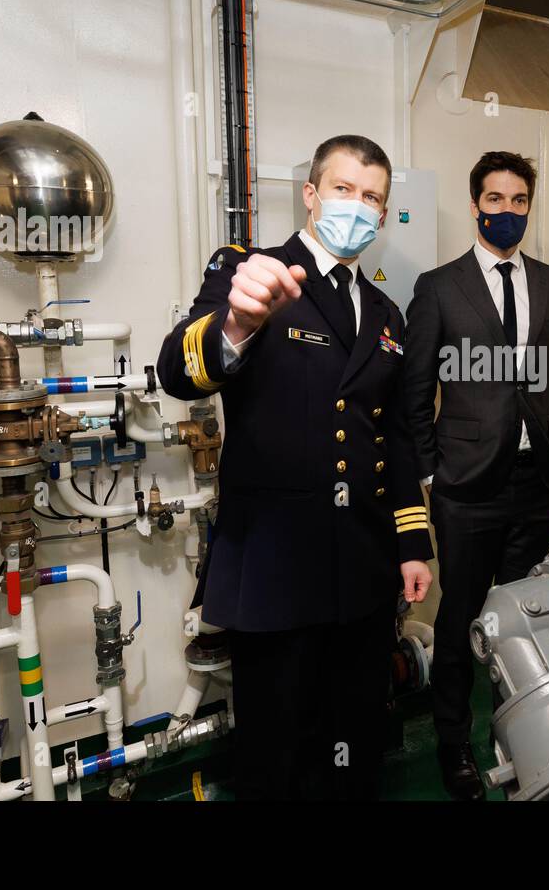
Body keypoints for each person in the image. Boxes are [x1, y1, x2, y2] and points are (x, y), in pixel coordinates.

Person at [156, 134, 433, 800]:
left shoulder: (389, 317)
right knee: (273, 755)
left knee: (356, 745)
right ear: (311, 195)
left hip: (363, 573)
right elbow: (177, 372)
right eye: (344, 190)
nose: (358, 208)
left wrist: (413, 543)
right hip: (275, 570)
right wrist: (236, 325)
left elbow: (394, 440)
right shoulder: (250, 271)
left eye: (373, 198)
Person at [403, 151, 549, 799]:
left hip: (539, 484)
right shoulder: (439, 288)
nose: (508, 211)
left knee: (528, 619)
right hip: (467, 490)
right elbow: (415, 396)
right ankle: (455, 747)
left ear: (529, 205)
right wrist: (431, 477)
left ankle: (521, 739)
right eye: (496, 199)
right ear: (476, 203)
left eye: (519, 201)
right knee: (458, 624)